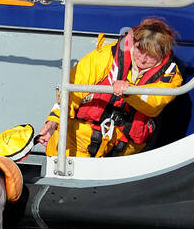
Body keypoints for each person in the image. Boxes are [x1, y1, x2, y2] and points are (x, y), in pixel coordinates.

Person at [36, 18, 183, 157]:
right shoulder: (106, 55)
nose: (142, 59)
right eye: (140, 49)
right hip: (80, 136)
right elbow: (72, 89)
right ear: (134, 43)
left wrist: (129, 91)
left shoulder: (171, 75)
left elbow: (154, 103)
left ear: (162, 54)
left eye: (151, 55)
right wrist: (53, 122)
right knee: (61, 143)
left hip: (122, 149)